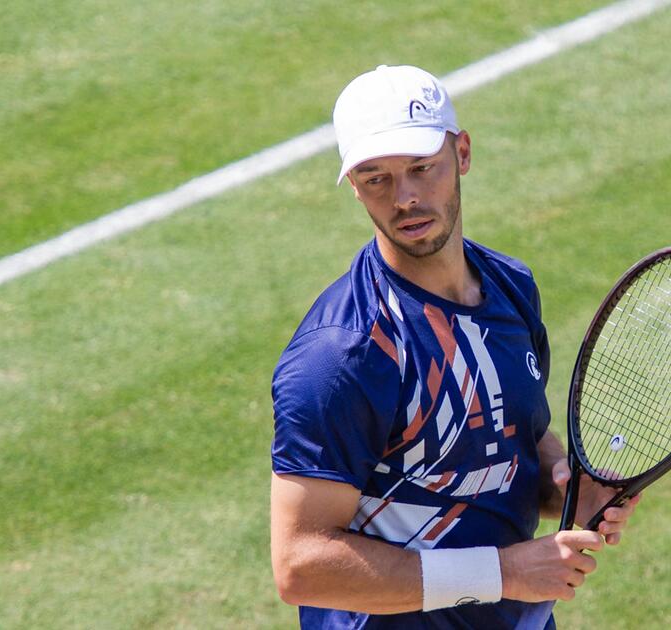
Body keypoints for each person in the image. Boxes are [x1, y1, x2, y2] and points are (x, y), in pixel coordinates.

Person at [269, 64, 640, 629]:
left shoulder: (510, 288)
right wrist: (503, 573)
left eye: (423, 168)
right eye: (376, 179)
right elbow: (301, 565)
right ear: (353, 186)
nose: (405, 198)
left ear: (462, 153)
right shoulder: (342, 355)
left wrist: (567, 486)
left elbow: (516, 436)